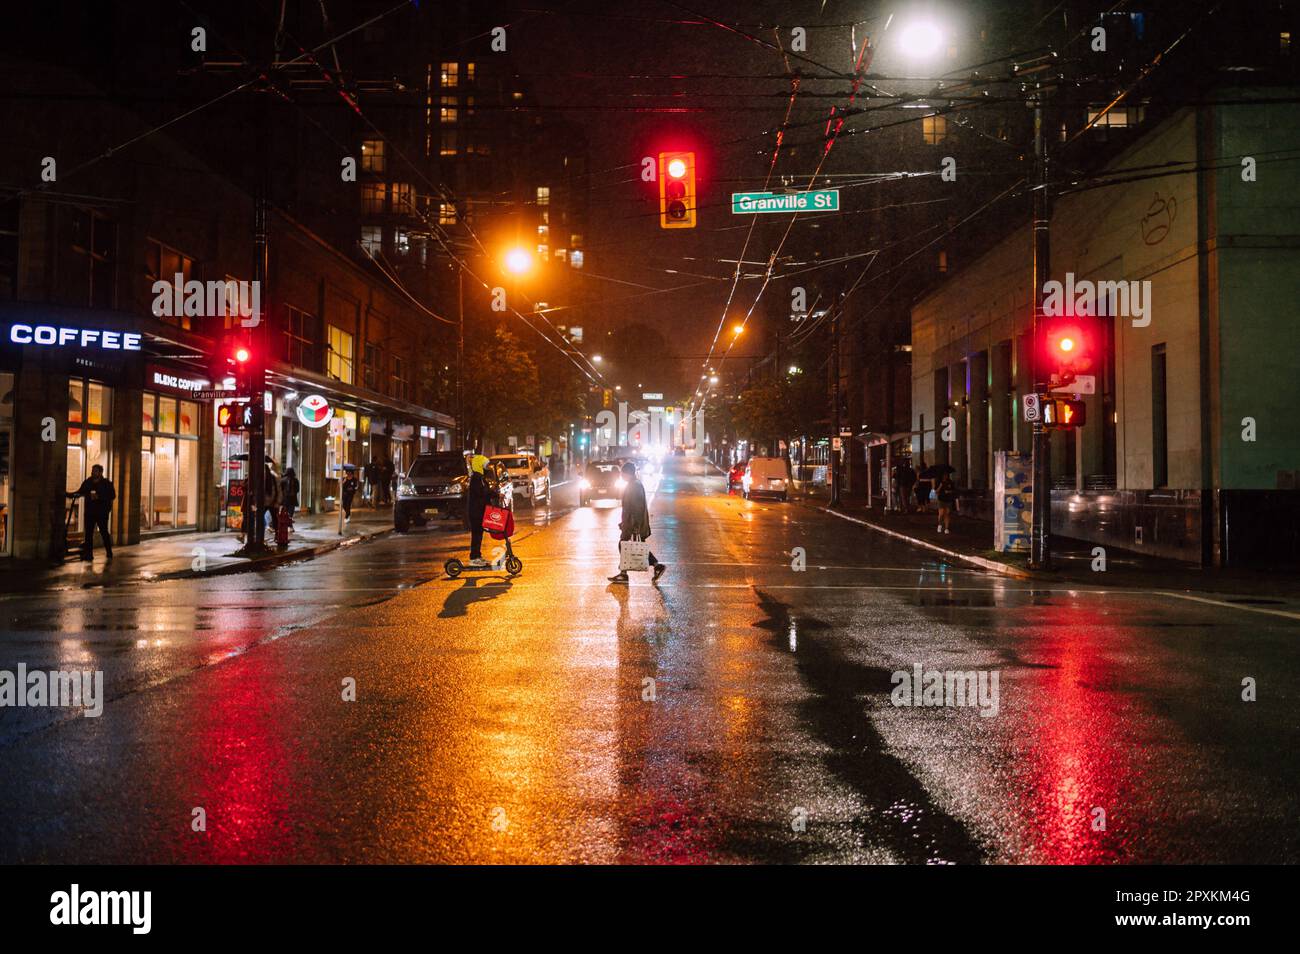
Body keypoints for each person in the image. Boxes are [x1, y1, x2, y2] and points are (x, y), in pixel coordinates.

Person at [608, 460, 667, 584]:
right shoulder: (634, 484)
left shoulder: (634, 485)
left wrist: (634, 526)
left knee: (624, 545)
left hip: (633, 524)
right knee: (637, 547)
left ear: (627, 473)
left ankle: (624, 574)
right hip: (632, 523)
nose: (621, 476)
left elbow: (636, 507)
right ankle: (657, 566)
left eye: (622, 473)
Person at [67, 463, 115, 560]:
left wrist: (99, 497)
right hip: (90, 511)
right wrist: (70, 495)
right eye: (93, 470)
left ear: (101, 472)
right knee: (88, 533)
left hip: (101, 512)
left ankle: (109, 552)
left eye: (95, 471)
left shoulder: (106, 483)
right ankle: (89, 554)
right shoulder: (88, 482)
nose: (93, 472)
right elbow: (80, 491)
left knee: (104, 532)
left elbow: (112, 495)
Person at [465, 454, 491, 568]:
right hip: (476, 512)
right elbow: (482, 493)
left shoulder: (479, 477)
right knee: (476, 535)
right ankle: (474, 558)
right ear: (480, 464)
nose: (487, 467)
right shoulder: (477, 478)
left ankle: (477, 556)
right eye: (485, 464)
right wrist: (495, 494)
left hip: (479, 511)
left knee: (479, 535)